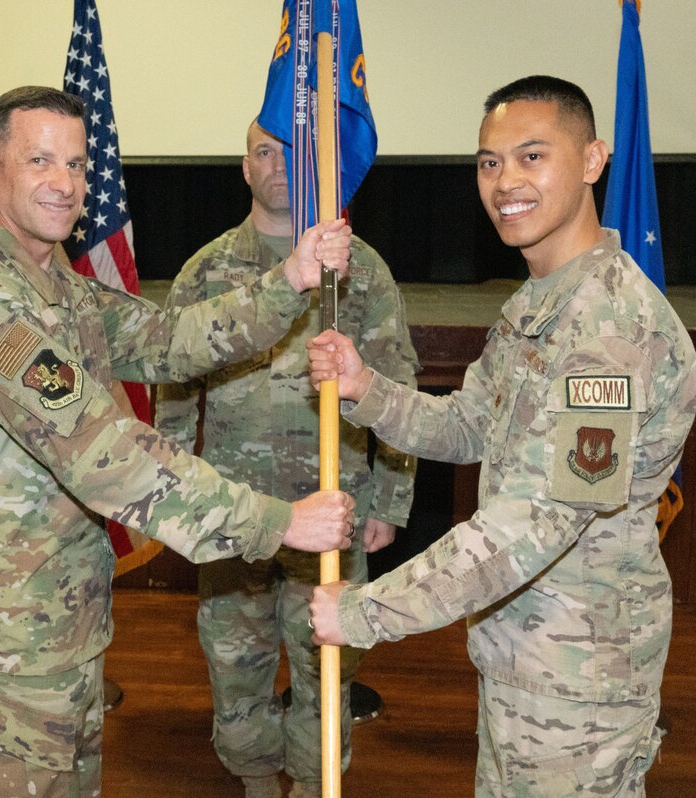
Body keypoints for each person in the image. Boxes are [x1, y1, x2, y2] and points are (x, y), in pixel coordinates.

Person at [0, 86, 359, 797]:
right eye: (40, 160)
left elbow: (172, 340)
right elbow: (105, 453)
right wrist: (277, 521)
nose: (65, 183)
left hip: (63, 623)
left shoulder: (57, 286)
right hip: (12, 640)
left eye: (77, 165)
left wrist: (288, 279)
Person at [306, 75, 696, 796]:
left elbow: (539, 522)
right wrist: (367, 390)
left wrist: (368, 611)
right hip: (522, 657)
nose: (505, 181)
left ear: (592, 160)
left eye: (532, 156)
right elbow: (469, 425)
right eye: (489, 163)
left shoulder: (610, 327)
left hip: (578, 687)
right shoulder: (536, 305)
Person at [156, 121, 419, 798]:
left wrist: (389, 499)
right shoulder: (207, 271)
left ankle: (312, 781)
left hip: (333, 508)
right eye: (263, 153)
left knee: (326, 663)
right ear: (244, 167)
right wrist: (172, 493)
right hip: (233, 514)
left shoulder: (361, 269)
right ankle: (254, 778)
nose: (276, 166)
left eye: (292, 153)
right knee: (234, 660)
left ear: (315, 169)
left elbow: (396, 382)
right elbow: (175, 385)